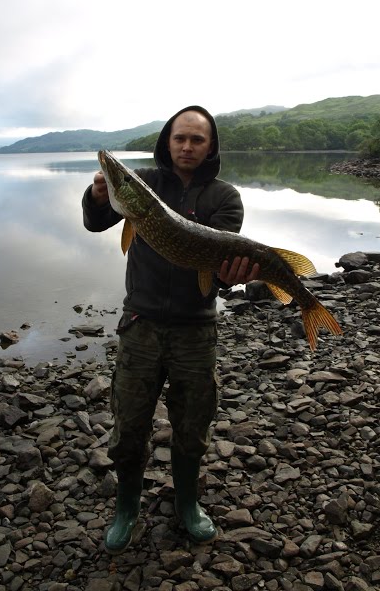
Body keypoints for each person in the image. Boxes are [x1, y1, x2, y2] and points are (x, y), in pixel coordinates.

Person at [82, 105, 260, 552]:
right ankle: (126, 507)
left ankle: (187, 503)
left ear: (210, 146)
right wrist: (99, 195)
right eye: (180, 138)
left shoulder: (225, 198)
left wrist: (232, 275)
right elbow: (96, 221)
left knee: (192, 425)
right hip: (140, 325)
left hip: (195, 331)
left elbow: (217, 272)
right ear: (167, 141)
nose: (186, 146)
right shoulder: (146, 183)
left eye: (197, 140)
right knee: (129, 427)